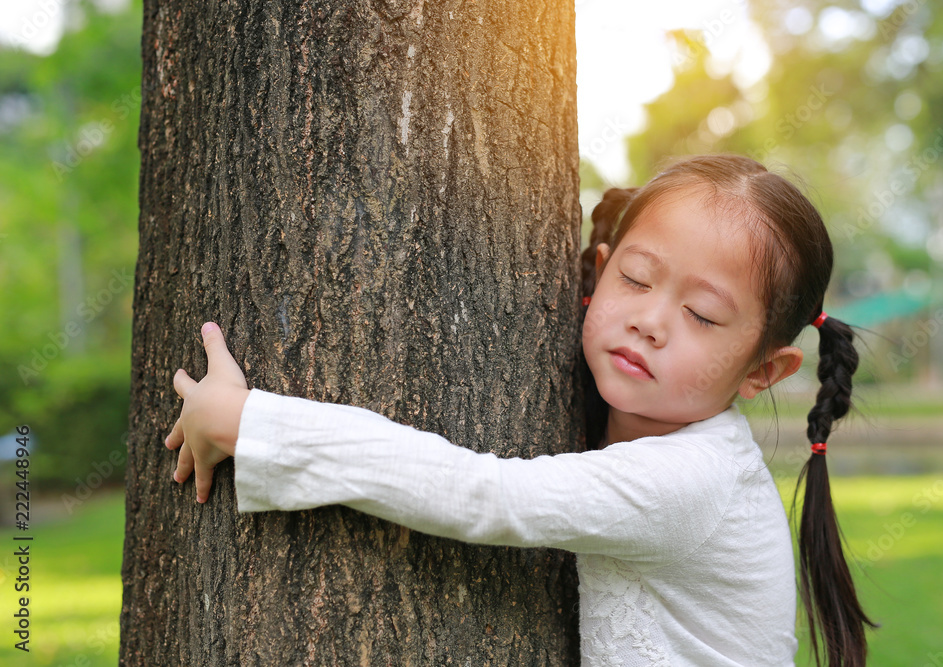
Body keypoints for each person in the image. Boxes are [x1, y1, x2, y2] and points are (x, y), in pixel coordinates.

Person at [164, 154, 877, 666]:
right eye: (636, 278)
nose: (652, 321)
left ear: (765, 369)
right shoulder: (655, 434)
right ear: (599, 274)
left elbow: (487, 494)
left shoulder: (693, 480)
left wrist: (253, 422)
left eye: (701, 313)